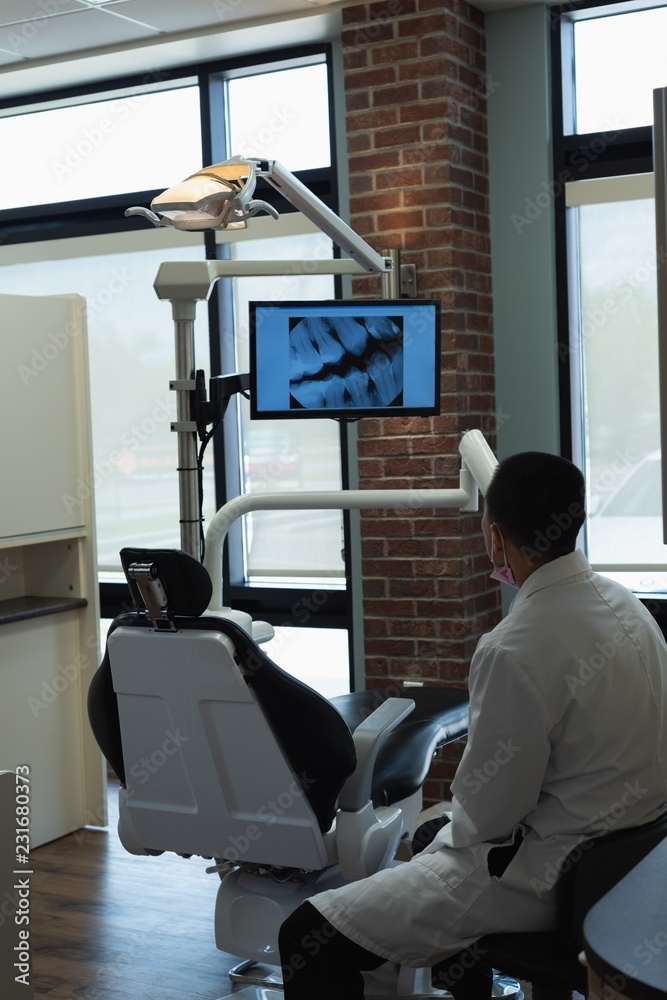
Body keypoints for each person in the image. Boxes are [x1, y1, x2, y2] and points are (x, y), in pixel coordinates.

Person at [278, 450, 667, 998]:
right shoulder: (628, 606)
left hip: (548, 876)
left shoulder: (513, 647)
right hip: (627, 857)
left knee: (306, 932)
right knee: (435, 835)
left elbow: (488, 816)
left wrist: (443, 842)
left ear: (495, 537)